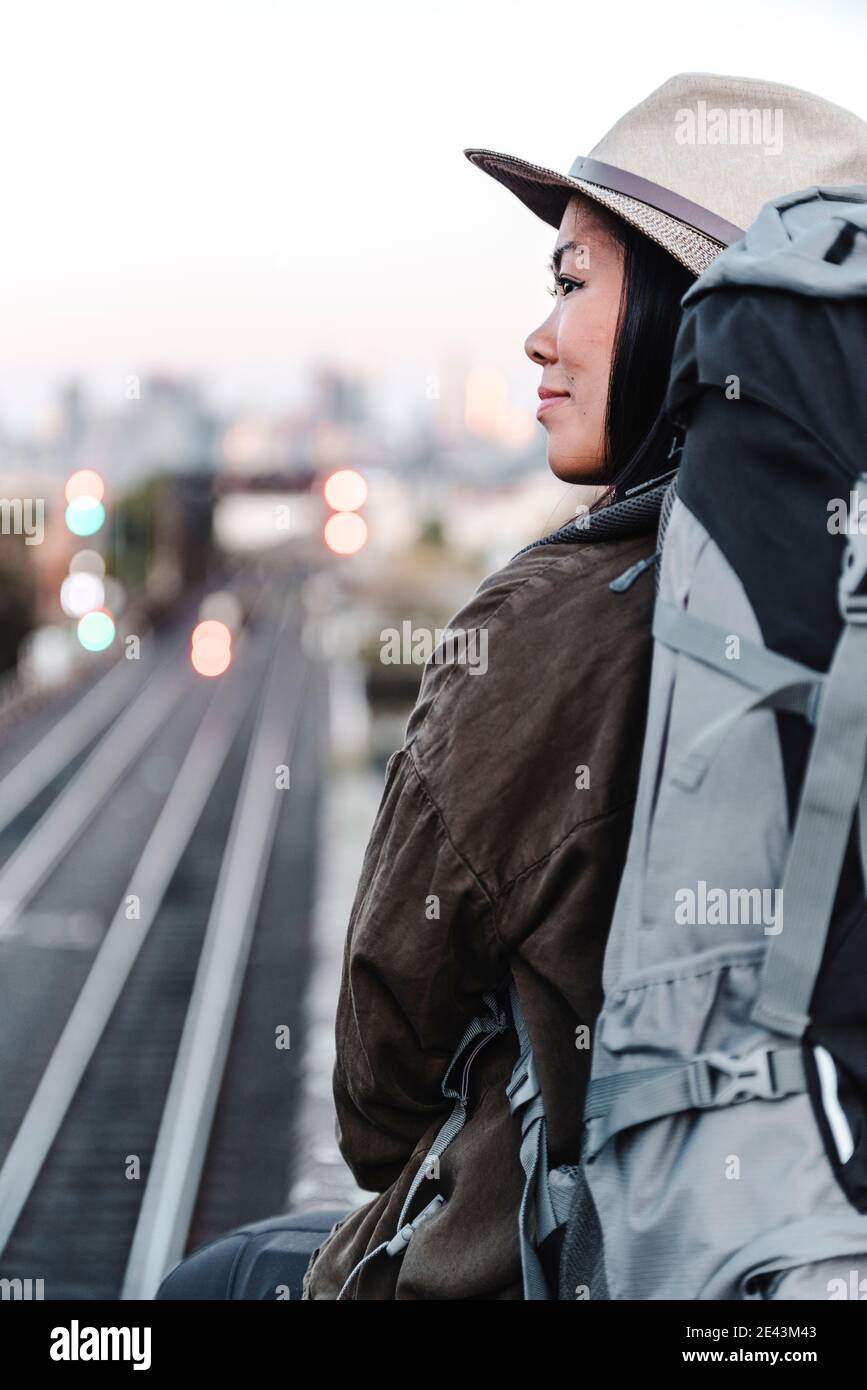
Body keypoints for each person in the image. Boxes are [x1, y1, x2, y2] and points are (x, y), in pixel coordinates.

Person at [157, 72, 867, 1301]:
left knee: (202, 1289)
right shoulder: (837, 618)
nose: (540, 336)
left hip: (548, 1271)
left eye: (574, 280)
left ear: (698, 314)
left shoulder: (548, 626)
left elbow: (378, 1104)